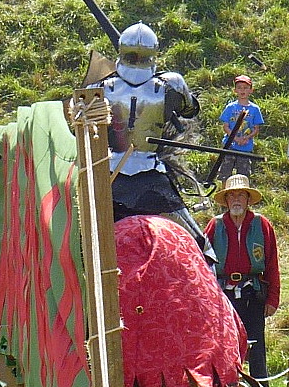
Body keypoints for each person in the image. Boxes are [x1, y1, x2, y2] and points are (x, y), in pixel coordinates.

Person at [85, 22, 204, 248]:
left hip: (109, 173)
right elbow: (190, 109)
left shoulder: (99, 88)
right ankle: (211, 274)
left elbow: (79, 120)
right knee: (195, 242)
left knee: (86, 241)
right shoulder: (171, 84)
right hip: (150, 174)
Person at [206, 175, 280, 381]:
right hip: (223, 295)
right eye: (231, 196)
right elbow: (202, 262)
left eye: (241, 195)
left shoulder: (261, 224)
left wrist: (273, 299)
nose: (236, 200)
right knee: (225, 345)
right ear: (226, 200)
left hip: (253, 293)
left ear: (248, 200)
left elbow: (272, 263)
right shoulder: (215, 226)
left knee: (256, 348)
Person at [218, 74, 263, 179]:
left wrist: (246, 138)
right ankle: (223, 191)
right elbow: (225, 126)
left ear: (251, 90)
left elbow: (256, 129)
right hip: (230, 144)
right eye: (239, 88)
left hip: (246, 146)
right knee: (225, 172)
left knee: (243, 174)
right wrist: (235, 138)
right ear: (235, 90)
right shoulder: (230, 107)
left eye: (245, 88)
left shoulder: (255, 109)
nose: (242, 90)